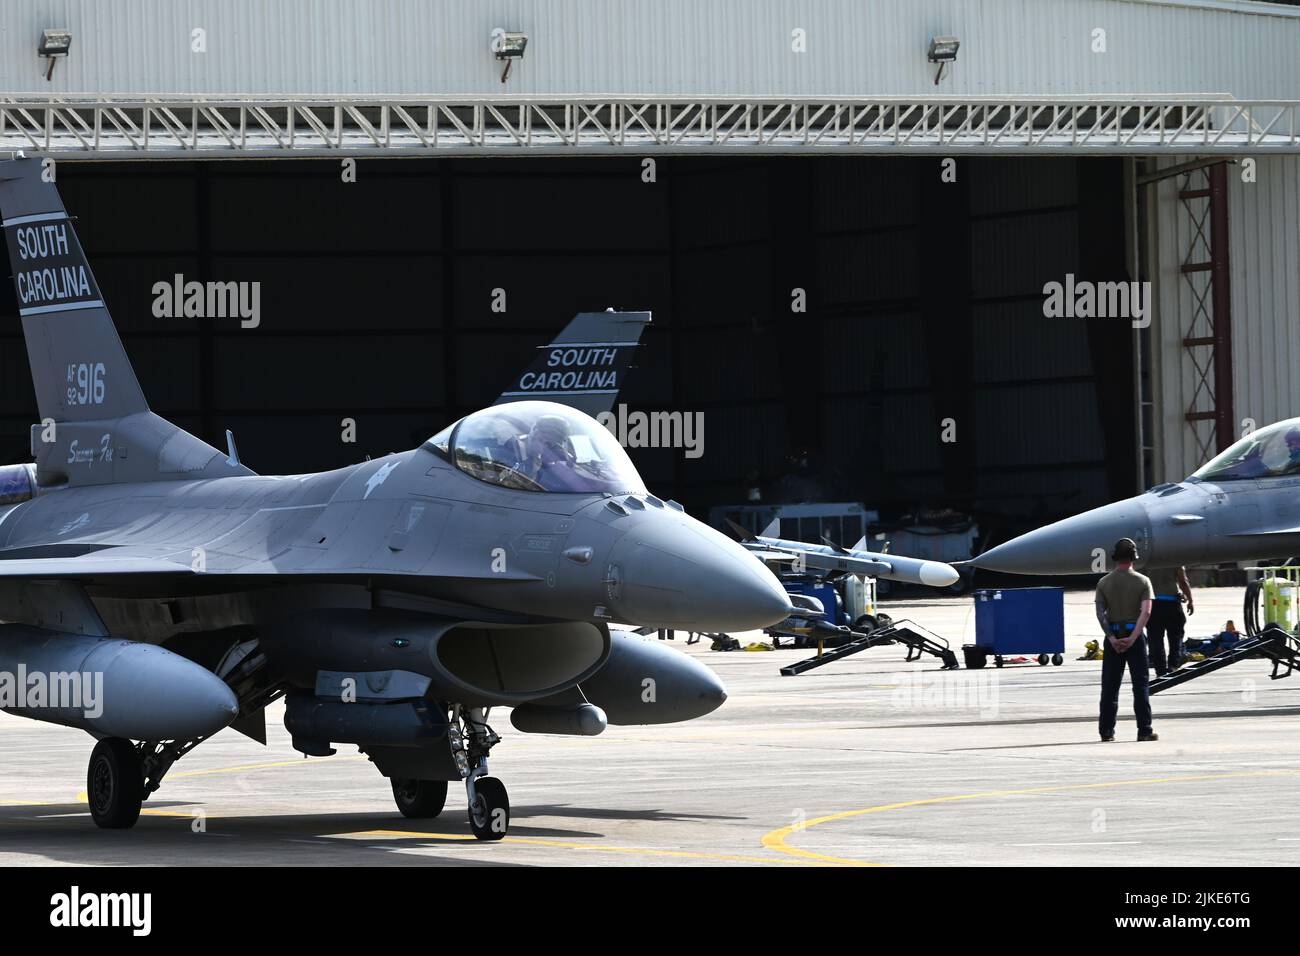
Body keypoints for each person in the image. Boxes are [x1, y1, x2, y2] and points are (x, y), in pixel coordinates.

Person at [1095, 537, 1158, 742]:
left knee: (1110, 687)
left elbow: (1100, 613)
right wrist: (1133, 637)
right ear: (1133, 557)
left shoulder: (1104, 582)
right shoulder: (1142, 581)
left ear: (1115, 557)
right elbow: (1146, 613)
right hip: (1134, 637)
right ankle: (1144, 730)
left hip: (1113, 637)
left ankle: (1106, 732)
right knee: (1140, 686)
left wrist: (1112, 638)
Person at [1145, 565, 1194, 675]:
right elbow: (1183, 581)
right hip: (1172, 603)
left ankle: (1160, 670)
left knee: (1155, 639)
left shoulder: (1149, 559)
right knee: (1175, 637)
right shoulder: (1174, 557)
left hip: (1153, 604)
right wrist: (1190, 600)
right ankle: (1173, 665)